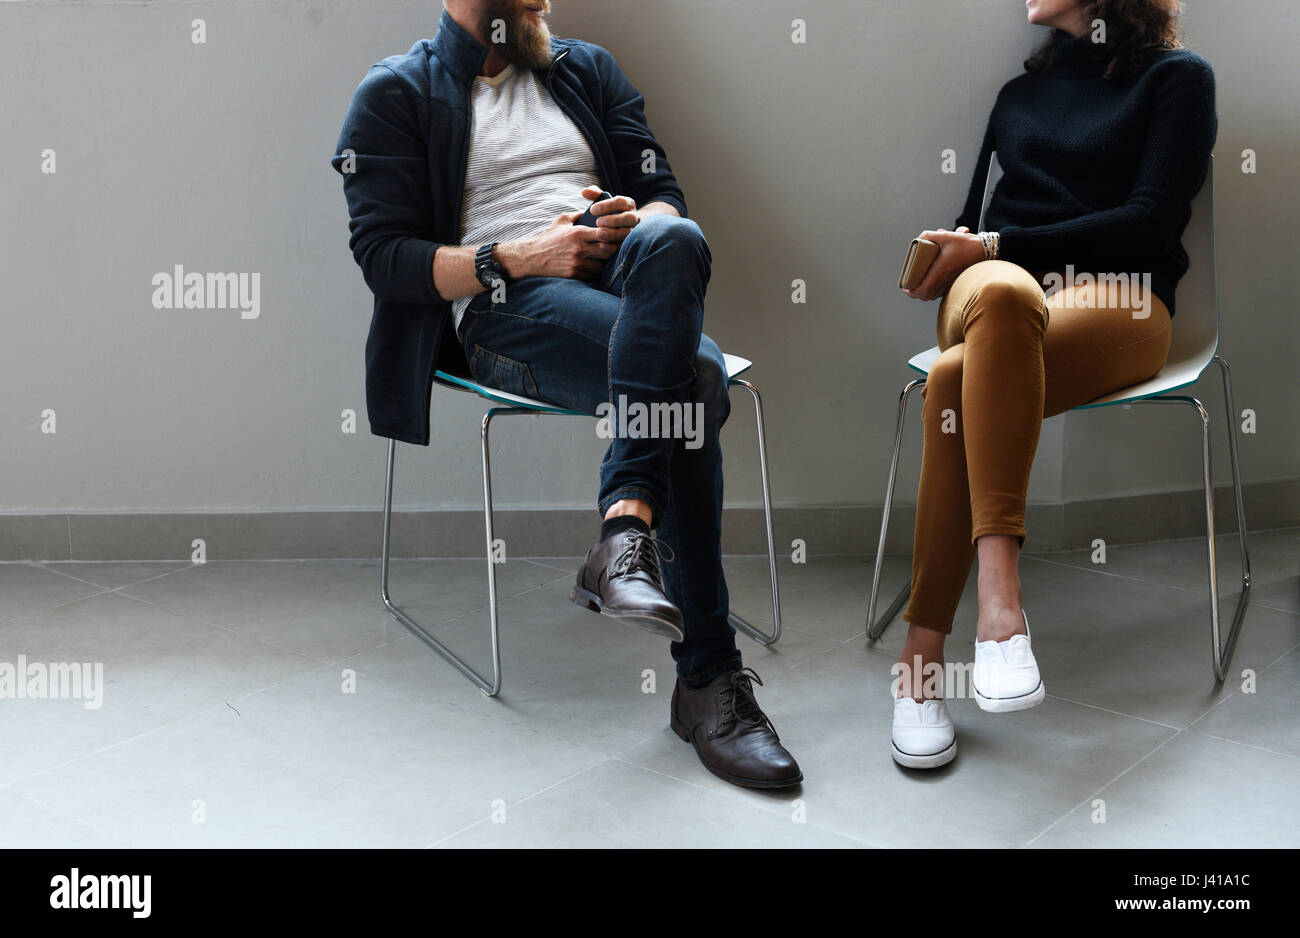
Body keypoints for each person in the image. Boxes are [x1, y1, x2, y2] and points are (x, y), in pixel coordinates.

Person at [332, 0, 802, 789]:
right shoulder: (397, 93)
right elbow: (384, 256)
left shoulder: (585, 69)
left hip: (624, 282)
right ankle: (707, 680)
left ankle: (624, 533)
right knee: (699, 376)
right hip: (505, 315)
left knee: (673, 238)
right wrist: (521, 254)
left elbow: (666, 194)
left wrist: (632, 215)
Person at [890, 0, 1216, 769]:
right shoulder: (1017, 94)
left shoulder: (1178, 81)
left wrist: (1002, 243)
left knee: (952, 379)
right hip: (994, 291)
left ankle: (919, 666)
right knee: (1004, 297)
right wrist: (955, 252)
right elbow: (973, 225)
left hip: (1121, 301)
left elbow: (1147, 221)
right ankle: (1001, 610)